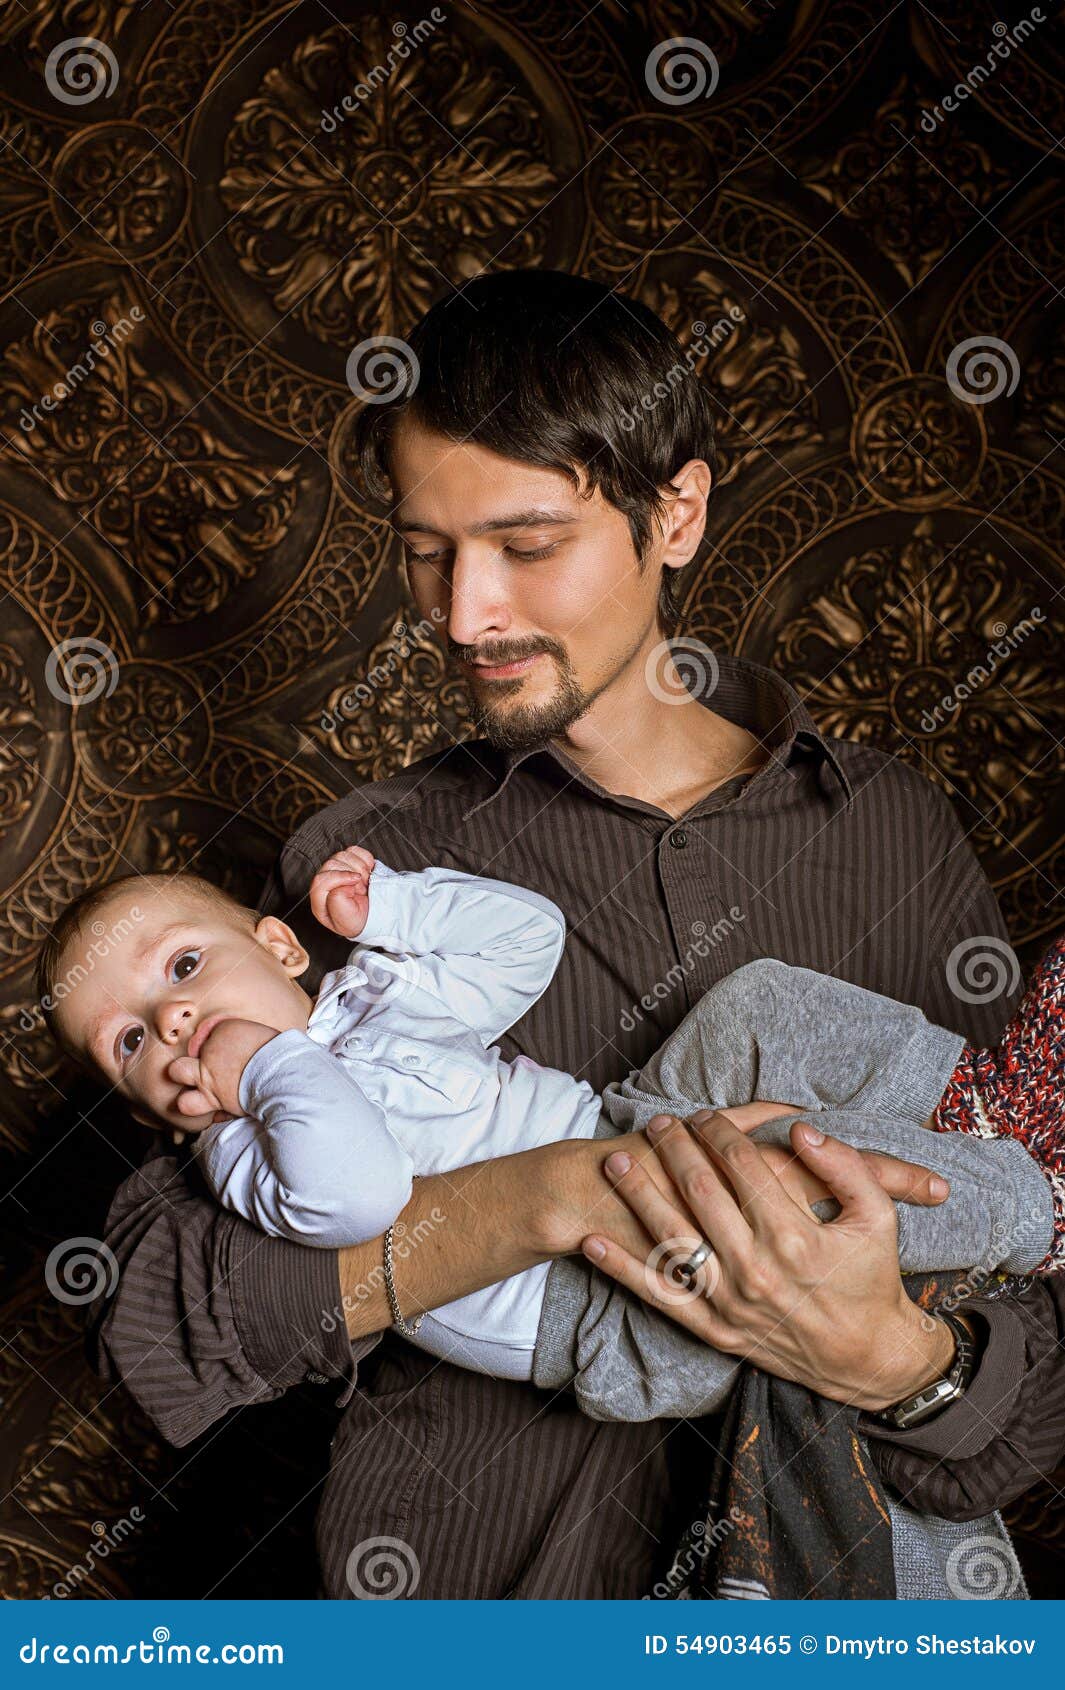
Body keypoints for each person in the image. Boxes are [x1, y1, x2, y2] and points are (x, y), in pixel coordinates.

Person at [87, 269, 1065, 1598]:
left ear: (678, 513)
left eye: (524, 542)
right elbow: (170, 1313)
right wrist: (547, 1196)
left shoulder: (888, 831)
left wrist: (896, 1361)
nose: (458, 611)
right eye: (427, 547)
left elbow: (1031, 1371)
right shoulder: (368, 868)